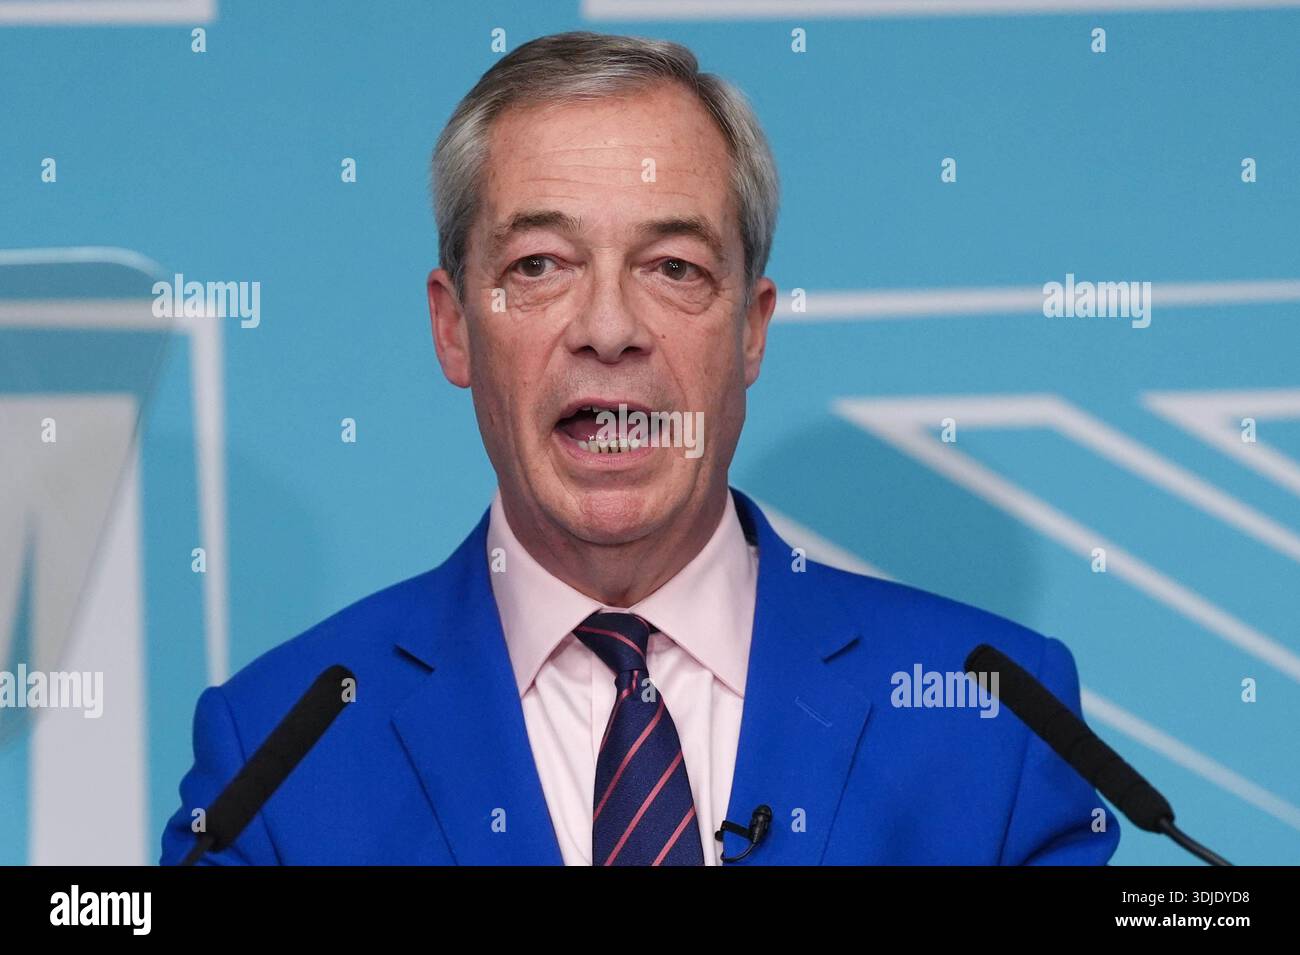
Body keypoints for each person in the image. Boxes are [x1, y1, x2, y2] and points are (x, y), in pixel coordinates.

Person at [161, 30, 1119, 866]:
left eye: (674, 268)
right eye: (539, 265)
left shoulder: (994, 722)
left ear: (752, 329)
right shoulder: (282, 753)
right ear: (454, 328)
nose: (609, 327)